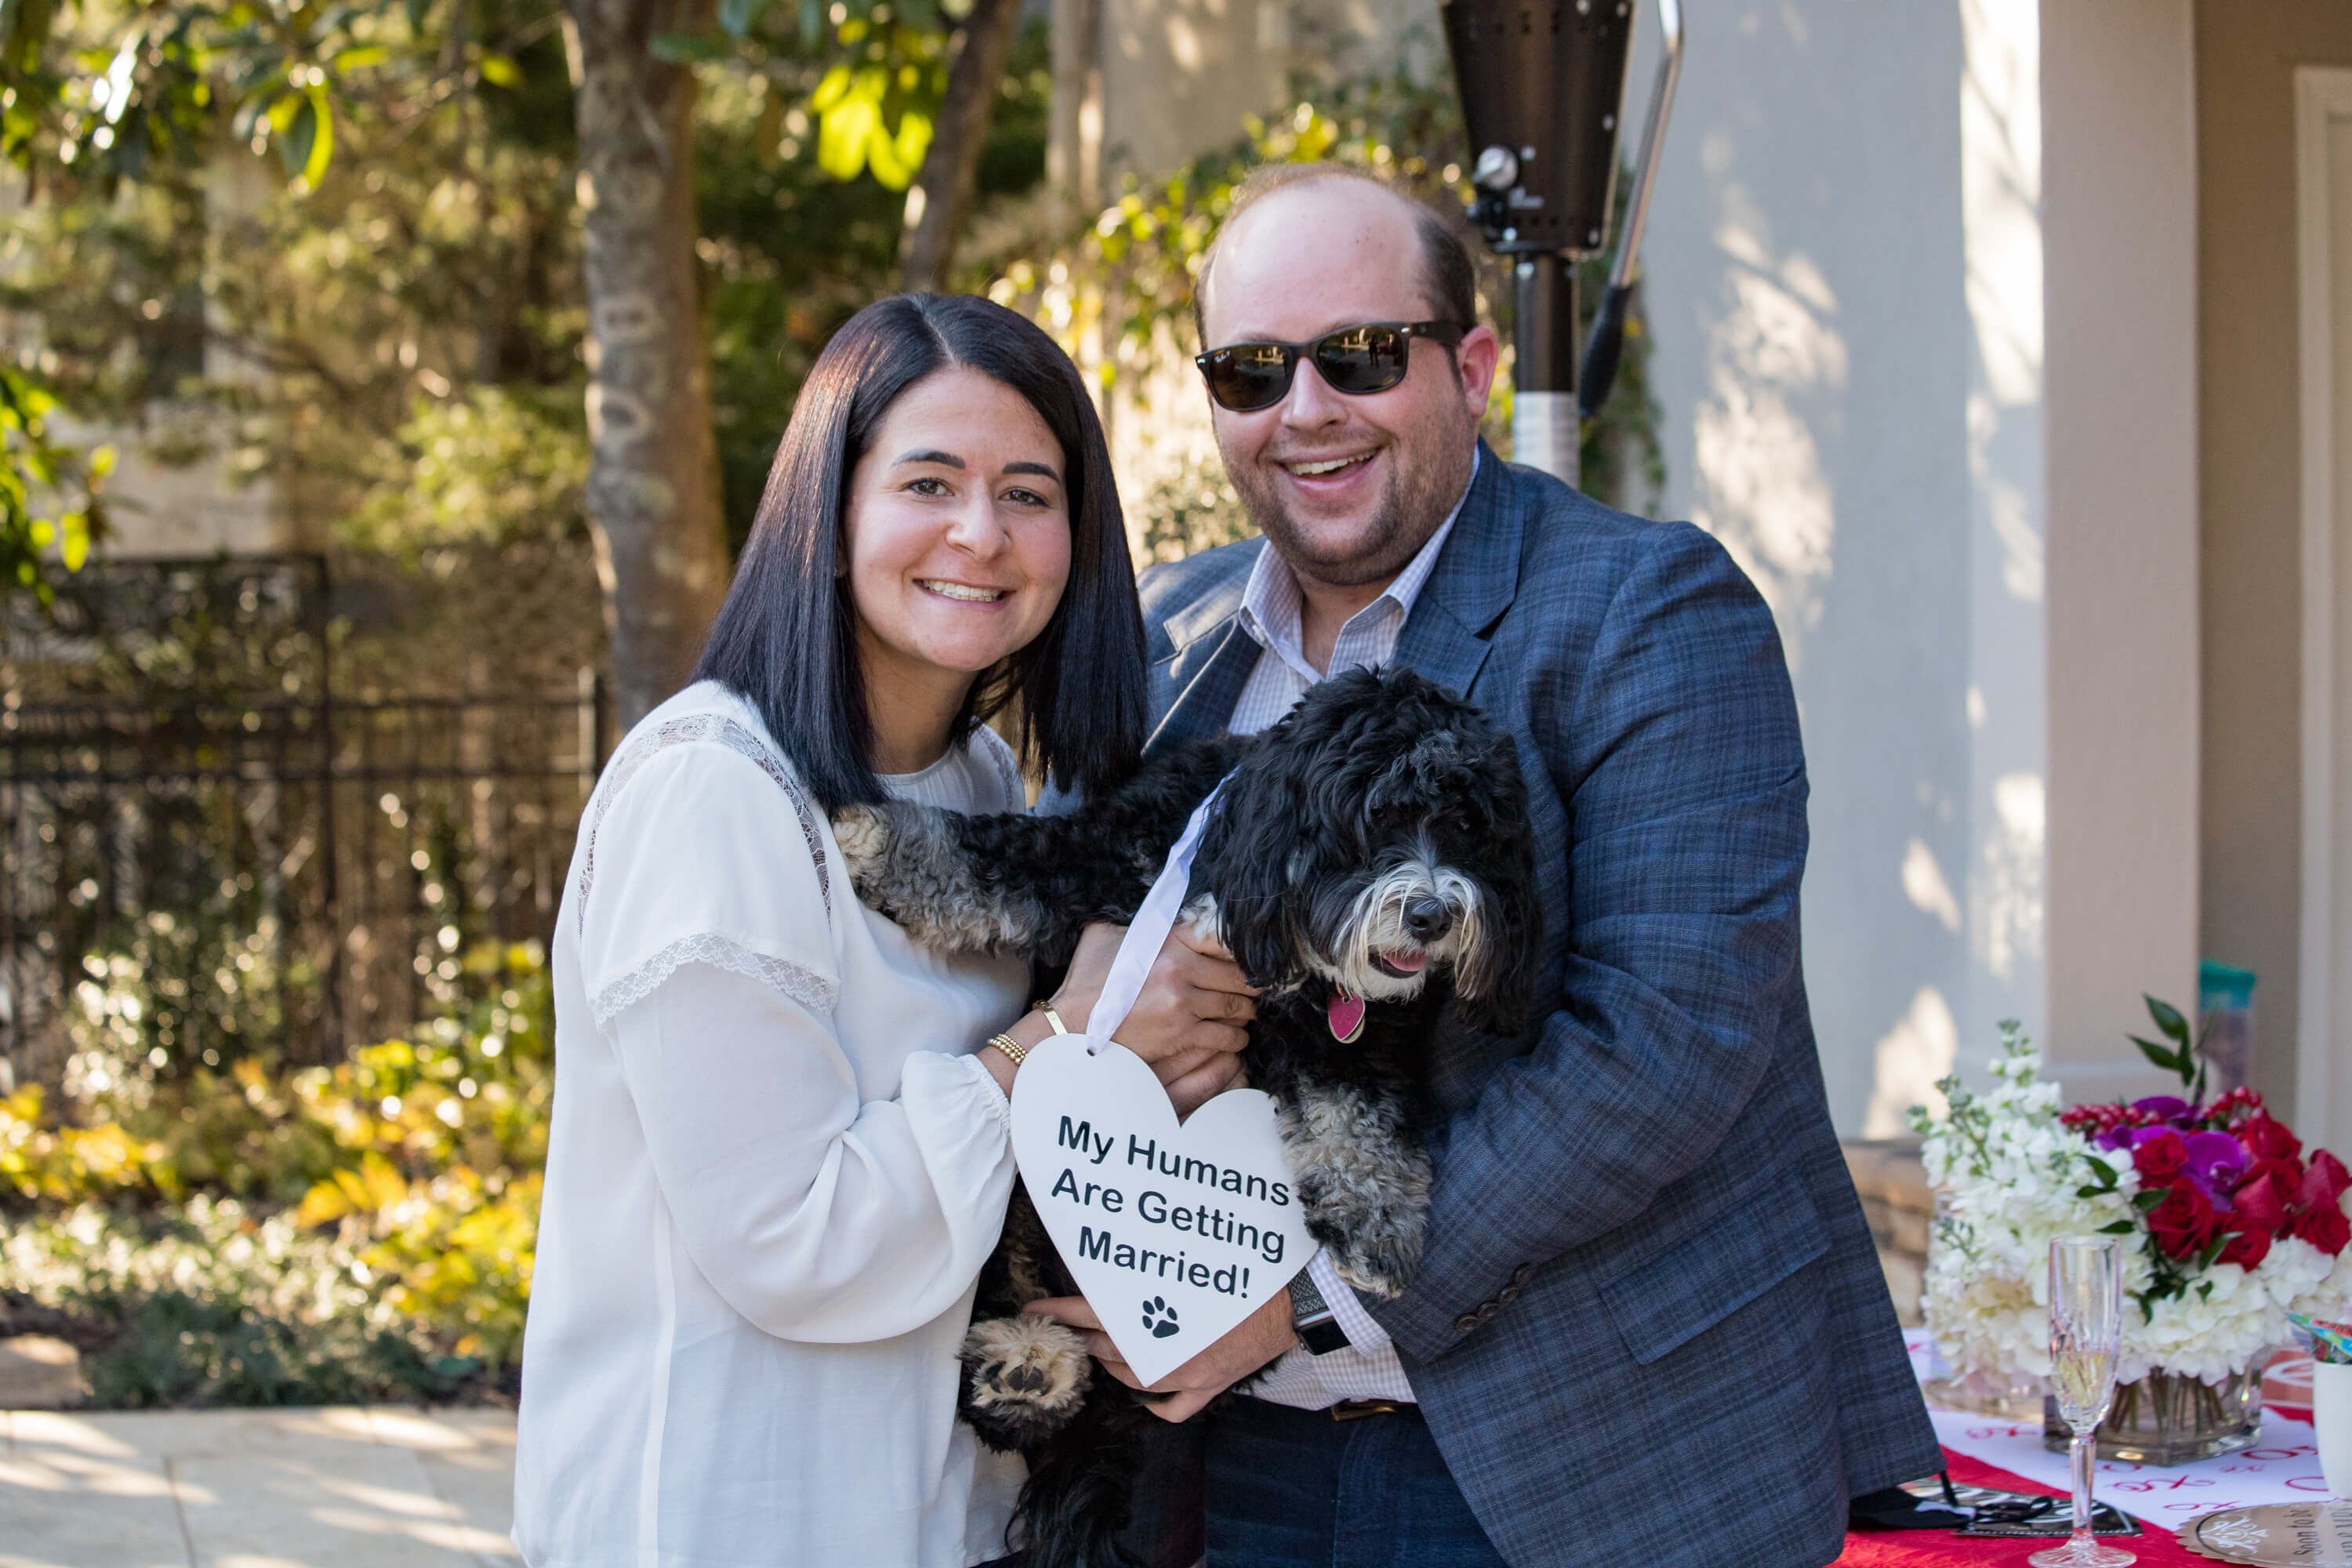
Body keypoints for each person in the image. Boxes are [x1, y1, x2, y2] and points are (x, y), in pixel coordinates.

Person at [1025, 164, 1943, 1566]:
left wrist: (1291, 1298)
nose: (1308, 409)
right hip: (1229, 1457)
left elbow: (1661, 1046)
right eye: (1254, 370)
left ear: (1475, 364)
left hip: (1583, 1463)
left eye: (1363, 355)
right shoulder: (1169, 636)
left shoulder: (1651, 611)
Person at [509, 293, 1254, 1568]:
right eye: (928, 481)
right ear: (829, 508)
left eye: (1030, 491)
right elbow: (793, 1238)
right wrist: (1065, 1036)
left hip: (927, 1506)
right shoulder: (715, 789)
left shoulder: (970, 782)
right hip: (728, 1511)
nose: (981, 531)